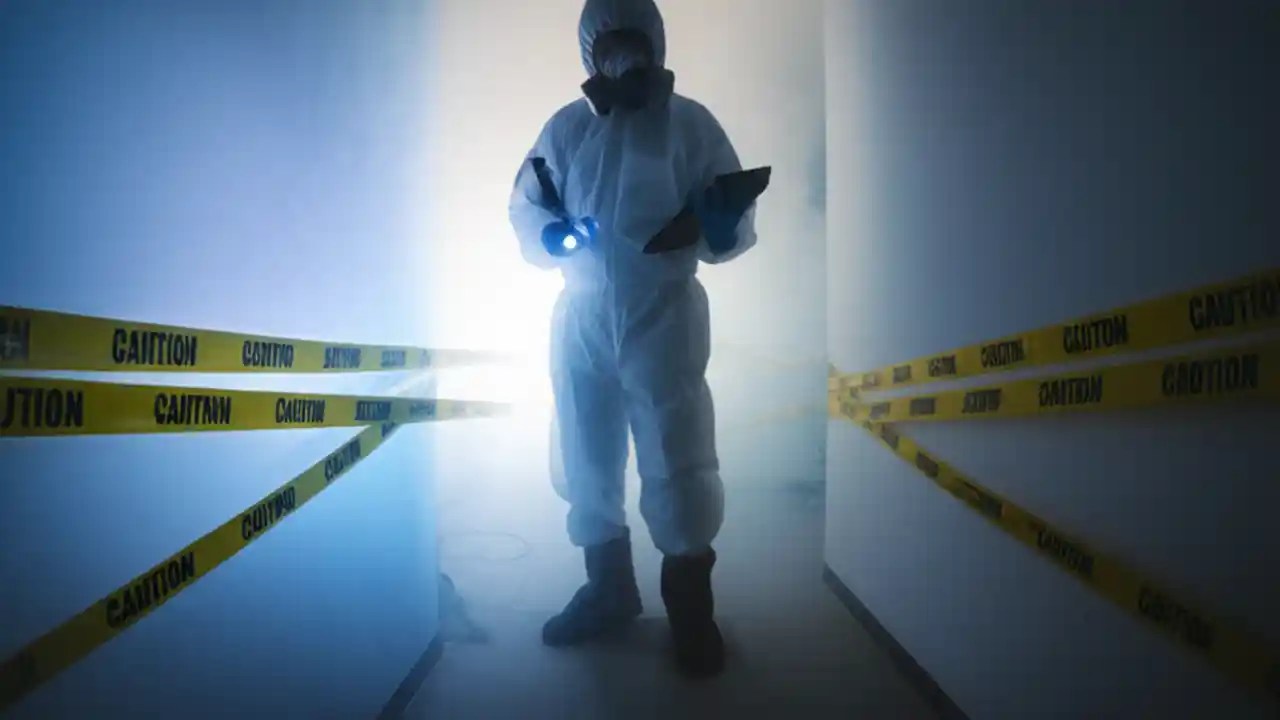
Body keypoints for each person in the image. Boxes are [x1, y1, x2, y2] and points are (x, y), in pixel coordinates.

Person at [508, 0, 757, 678]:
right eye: (609, 41)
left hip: (663, 313)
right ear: (590, 50)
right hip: (582, 314)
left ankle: (691, 611)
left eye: (633, 39)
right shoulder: (565, 129)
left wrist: (722, 221)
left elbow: (729, 221)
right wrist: (551, 238)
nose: (621, 54)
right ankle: (609, 590)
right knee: (586, 453)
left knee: (678, 453)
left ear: (655, 41)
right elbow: (528, 204)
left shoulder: (689, 125)